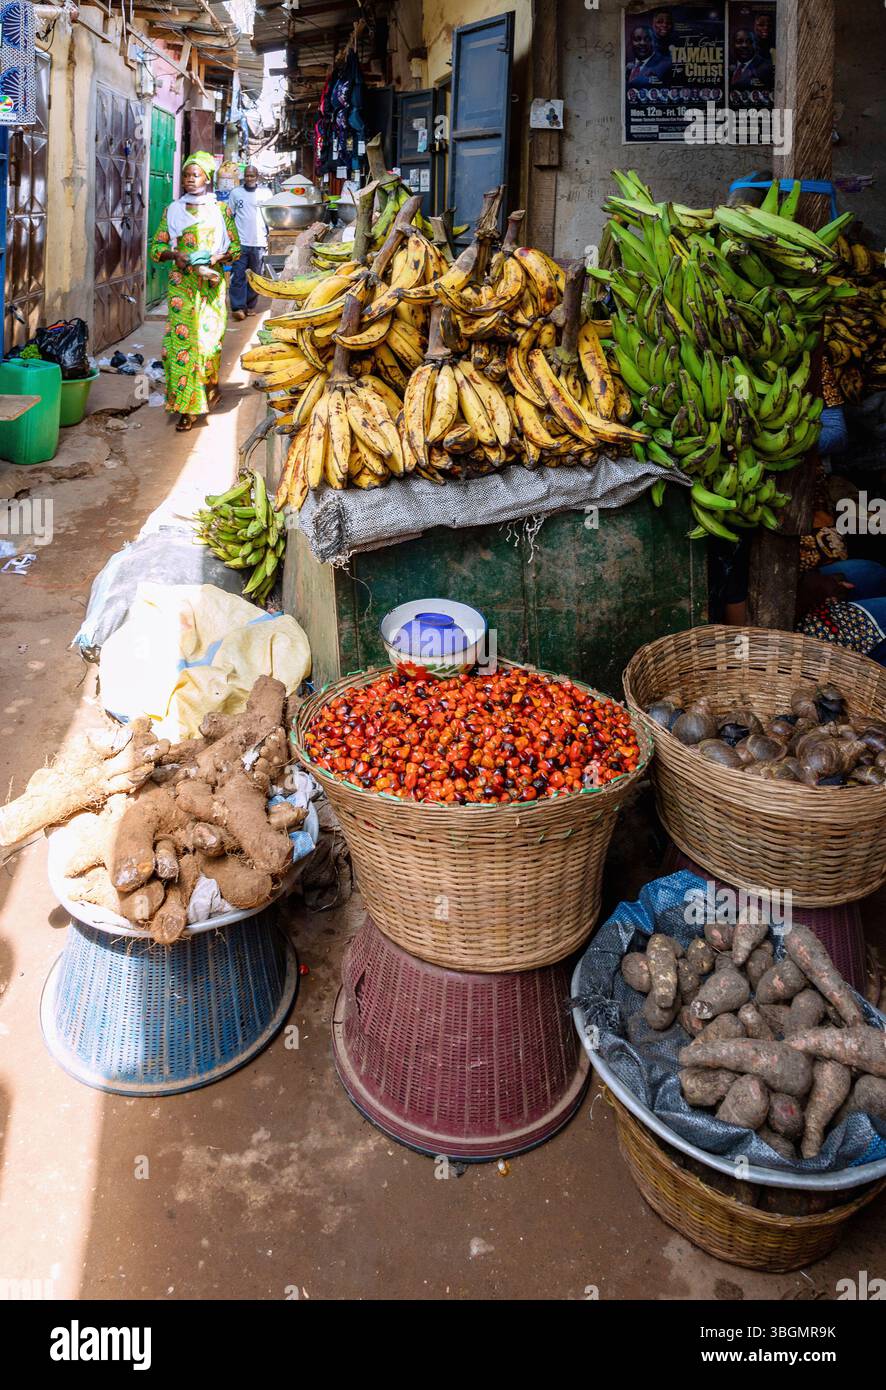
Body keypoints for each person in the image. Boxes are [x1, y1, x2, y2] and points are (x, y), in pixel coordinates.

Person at [149, 151, 240, 433]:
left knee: (208, 345)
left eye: (196, 174)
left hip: (211, 287)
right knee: (181, 347)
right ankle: (187, 409)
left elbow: (235, 250)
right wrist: (174, 255)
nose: (190, 179)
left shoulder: (220, 211)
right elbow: (155, 249)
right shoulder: (172, 211)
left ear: (207, 178)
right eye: (186, 175)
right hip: (182, 285)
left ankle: (209, 389)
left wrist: (214, 259)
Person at [228, 165, 272, 320]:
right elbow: (230, 215)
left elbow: (270, 216)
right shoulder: (235, 193)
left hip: (259, 242)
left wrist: (270, 235)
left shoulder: (266, 194)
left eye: (252, 176)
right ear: (243, 177)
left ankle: (251, 305)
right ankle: (238, 307)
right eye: (247, 176)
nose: (249, 179)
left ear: (257, 177)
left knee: (255, 276)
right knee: (238, 275)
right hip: (241, 241)